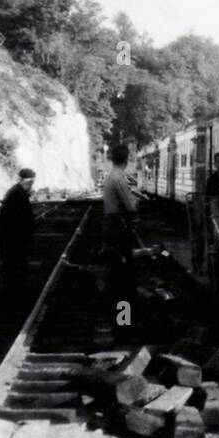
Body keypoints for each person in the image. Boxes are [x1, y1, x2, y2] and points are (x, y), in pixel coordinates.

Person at [103, 144, 140, 339]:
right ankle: (123, 326)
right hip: (119, 230)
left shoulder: (111, 177)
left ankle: (120, 324)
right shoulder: (119, 178)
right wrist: (137, 202)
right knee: (124, 280)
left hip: (112, 228)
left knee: (117, 277)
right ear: (126, 159)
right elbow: (131, 207)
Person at [0, 168, 36, 304]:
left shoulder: (16, 191)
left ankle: (13, 296)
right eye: (32, 182)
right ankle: (13, 298)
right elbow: (20, 218)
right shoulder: (17, 194)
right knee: (15, 268)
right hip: (13, 238)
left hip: (10, 237)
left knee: (12, 269)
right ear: (30, 181)